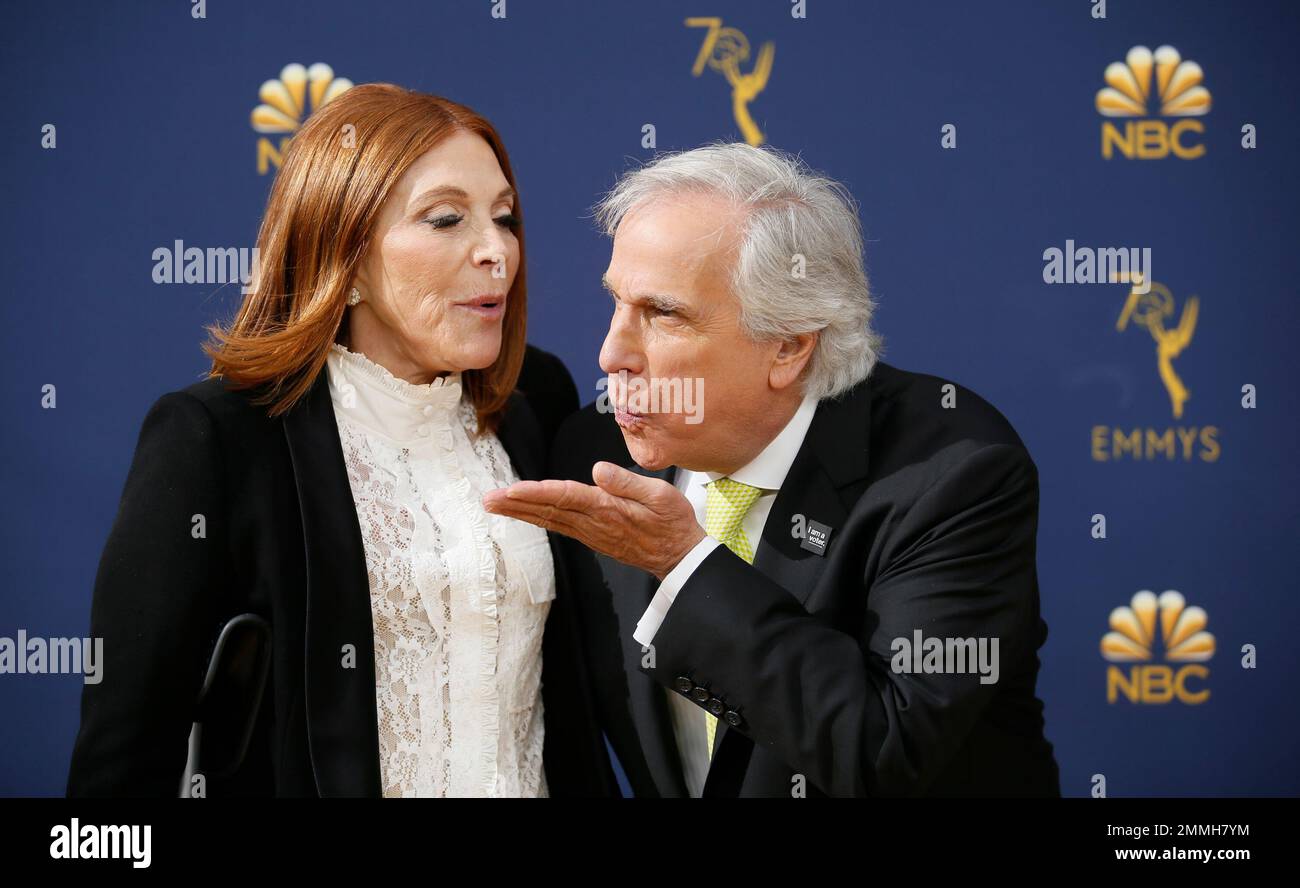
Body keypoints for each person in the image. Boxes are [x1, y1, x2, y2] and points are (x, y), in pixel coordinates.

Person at [67, 84, 615, 797]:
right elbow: (120, 765)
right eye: (447, 218)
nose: (497, 252)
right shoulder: (219, 440)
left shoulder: (534, 400)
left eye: (505, 218)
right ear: (345, 253)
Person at [484, 142, 1060, 797]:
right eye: (616, 303)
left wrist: (684, 563)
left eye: (662, 313)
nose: (612, 352)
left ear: (786, 345)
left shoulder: (953, 474)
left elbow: (884, 750)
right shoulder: (594, 450)